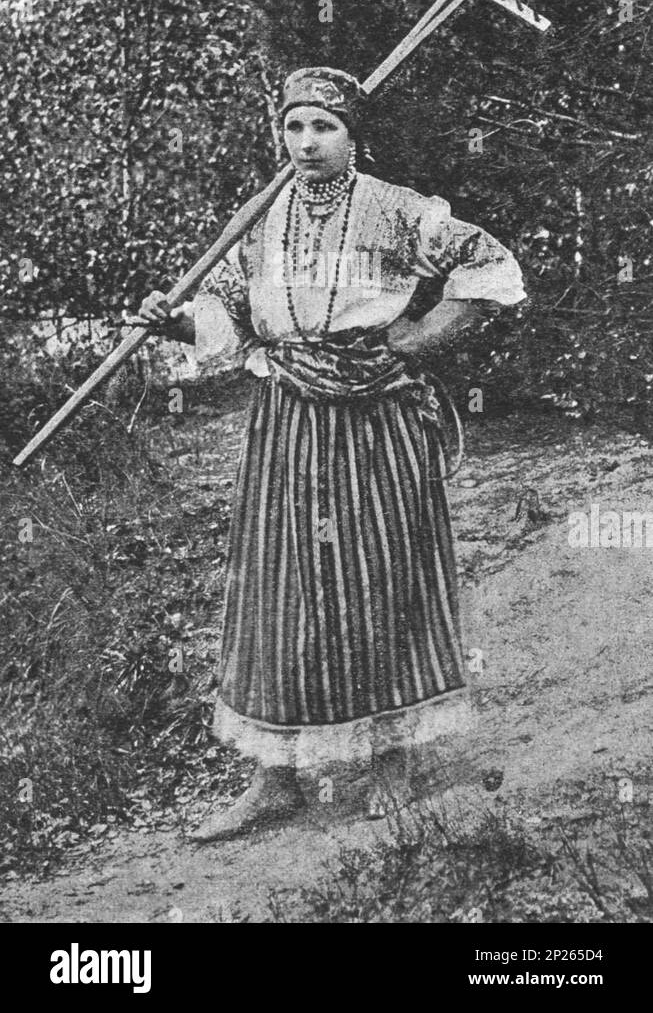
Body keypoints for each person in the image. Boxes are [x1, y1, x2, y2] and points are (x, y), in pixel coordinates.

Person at [139, 67, 526, 841]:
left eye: (324, 127)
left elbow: (490, 268)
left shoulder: (396, 209)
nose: (307, 142)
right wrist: (173, 321)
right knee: (278, 582)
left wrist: (419, 335)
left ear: (353, 135)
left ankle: (392, 759)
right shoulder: (256, 219)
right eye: (294, 127)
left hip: (375, 415)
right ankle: (273, 776)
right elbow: (225, 321)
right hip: (286, 412)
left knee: (378, 573)